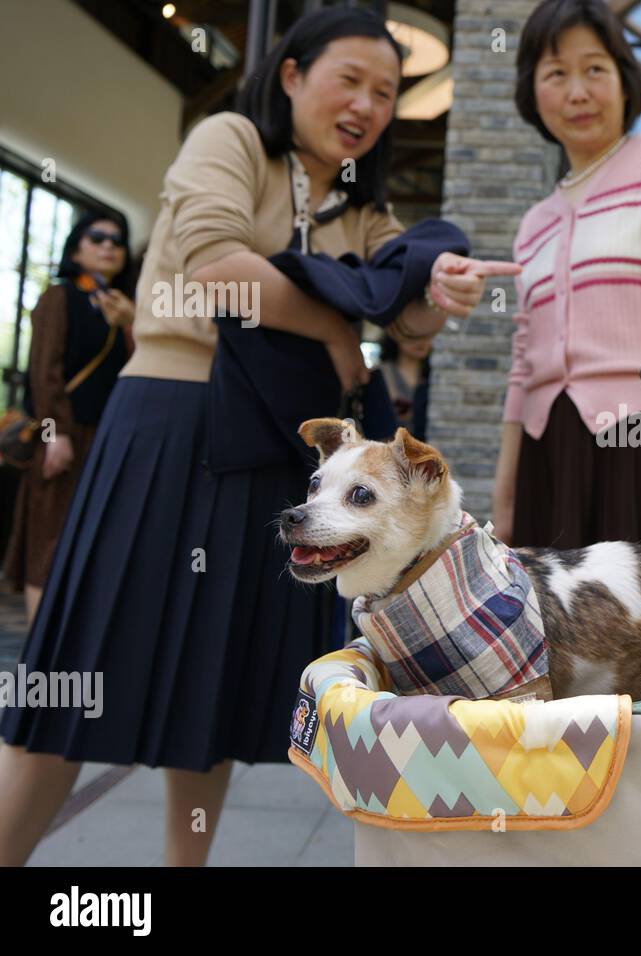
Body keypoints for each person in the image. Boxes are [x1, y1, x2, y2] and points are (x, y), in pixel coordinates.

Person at [0, 7, 512, 867]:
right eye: (349, 79)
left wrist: (442, 284)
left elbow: (409, 302)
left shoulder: (361, 205)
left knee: (215, 686)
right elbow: (215, 270)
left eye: (386, 92)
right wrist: (338, 331)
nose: (367, 104)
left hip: (275, 447)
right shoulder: (231, 138)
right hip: (170, 423)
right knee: (74, 685)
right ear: (291, 75)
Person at [491, 0, 641, 560]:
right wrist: (505, 490)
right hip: (547, 457)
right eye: (556, 74)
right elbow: (523, 362)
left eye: (594, 69)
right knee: (552, 635)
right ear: (533, 92)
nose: (577, 91)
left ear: (625, 81)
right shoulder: (535, 223)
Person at [4, 212, 134, 622]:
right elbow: (45, 370)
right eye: (97, 237)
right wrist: (54, 433)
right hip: (65, 432)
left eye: (117, 240)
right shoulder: (60, 297)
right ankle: (39, 643)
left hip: (107, 437)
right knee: (49, 533)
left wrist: (129, 324)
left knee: (91, 536)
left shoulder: (124, 307)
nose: (108, 245)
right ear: (76, 247)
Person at [378, 331, 431, 441]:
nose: (421, 342)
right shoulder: (381, 374)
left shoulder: (435, 377)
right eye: (413, 335)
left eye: (427, 335)